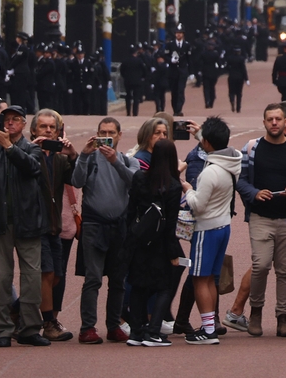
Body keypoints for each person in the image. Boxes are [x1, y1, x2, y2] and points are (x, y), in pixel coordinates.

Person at [0, 104, 50, 347]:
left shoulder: (32, 148)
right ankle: (3, 330)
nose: (10, 123)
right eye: (6, 119)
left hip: (28, 223)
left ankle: (29, 329)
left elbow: (32, 168)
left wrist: (9, 147)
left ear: (24, 124)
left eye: (16, 119)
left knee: (31, 279)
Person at [237, 101, 286, 338]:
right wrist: (254, 193)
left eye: (278, 119)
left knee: (285, 270)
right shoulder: (251, 147)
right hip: (260, 217)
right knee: (261, 265)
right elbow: (240, 179)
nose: (274, 123)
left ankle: (283, 317)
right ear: (264, 122)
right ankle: (255, 313)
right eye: (270, 119)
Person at [72, 117, 136, 344]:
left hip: (120, 227)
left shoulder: (128, 161)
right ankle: (87, 328)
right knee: (93, 278)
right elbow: (77, 181)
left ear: (119, 135)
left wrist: (115, 162)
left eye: (111, 133)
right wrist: (83, 155)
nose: (107, 137)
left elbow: (135, 182)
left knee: (118, 280)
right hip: (94, 226)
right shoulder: (89, 159)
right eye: (103, 133)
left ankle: (113, 325)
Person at [185, 117, 241, 345]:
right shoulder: (232, 162)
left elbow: (198, 205)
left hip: (206, 228)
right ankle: (209, 326)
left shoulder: (210, 172)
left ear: (207, 142)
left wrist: (187, 190)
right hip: (223, 225)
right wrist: (202, 134)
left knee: (199, 279)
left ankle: (208, 329)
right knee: (210, 278)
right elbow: (216, 147)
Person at [124, 139, 185, 346]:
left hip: (139, 239)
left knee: (138, 285)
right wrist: (173, 252)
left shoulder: (140, 177)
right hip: (160, 243)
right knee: (165, 286)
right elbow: (170, 225)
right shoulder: (174, 186)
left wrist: (131, 236)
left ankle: (136, 332)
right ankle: (153, 331)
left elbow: (131, 210)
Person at [30, 108, 77, 341]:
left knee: (56, 276)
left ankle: (18, 308)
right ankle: (48, 323)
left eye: (52, 127)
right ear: (34, 130)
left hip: (54, 224)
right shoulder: (27, 153)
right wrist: (30, 151)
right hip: (35, 224)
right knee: (46, 273)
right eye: (43, 126)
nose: (48, 131)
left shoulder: (59, 158)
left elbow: (75, 179)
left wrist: (73, 155)